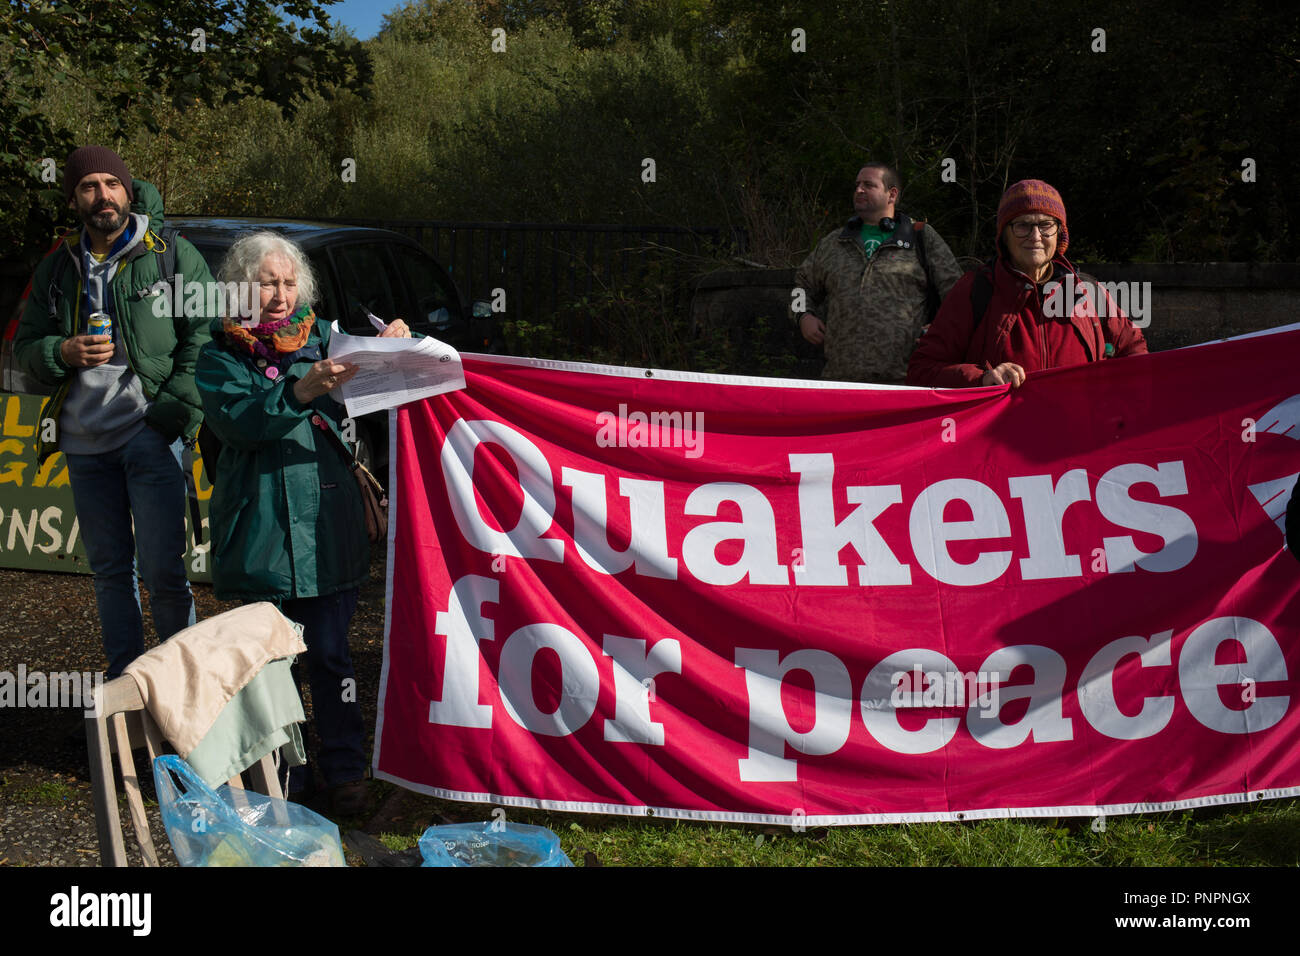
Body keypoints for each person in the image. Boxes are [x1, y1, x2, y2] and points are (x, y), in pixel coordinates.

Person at [195, 231, 409, 816]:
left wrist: (391, 349)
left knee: (334, 659)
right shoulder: (217, 356)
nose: (280, 295)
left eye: (289, 283)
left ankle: (344, 775)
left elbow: (376, 400)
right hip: (259, 534)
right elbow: (242, 423)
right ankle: (285, 780)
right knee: (268, 668)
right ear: (241, 288)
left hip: (328, 529)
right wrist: (302, 388)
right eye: (267, 282)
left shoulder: (330, 341)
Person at [14, 146, 213, 678]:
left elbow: (205, 336)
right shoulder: (59, 265)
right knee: (108, 572)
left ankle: (181, 691)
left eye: (111, 184)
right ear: (74, 198)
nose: (102, 195)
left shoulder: (170, 253)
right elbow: (25, 347)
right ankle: (127, 686)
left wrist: (170, 414)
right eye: (88, 186)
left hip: (151, 433)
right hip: (83, 442)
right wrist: (62, 352)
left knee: (164, 573)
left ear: (128, 191)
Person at [907, 179, 1147, 388]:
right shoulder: (975, 290)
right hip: (999, 435)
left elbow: (1136, 356)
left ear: (1059, 233)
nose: (1035, 236)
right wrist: (981, 378)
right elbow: (922, 371)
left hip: (1081, 435)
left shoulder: (1088, 292)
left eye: (1045, 225)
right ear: (1004, 235)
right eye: (1022, 225)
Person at [793, 162, 963, 384]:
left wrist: (941, 328)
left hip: (905, 380)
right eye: (857, 185)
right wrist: (803, 316)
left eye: (868, 185)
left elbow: (959, 293)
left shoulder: (920, 236)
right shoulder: (834, 242)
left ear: (891, 195)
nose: (859, 190)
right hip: (840, 380)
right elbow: (800, 286)